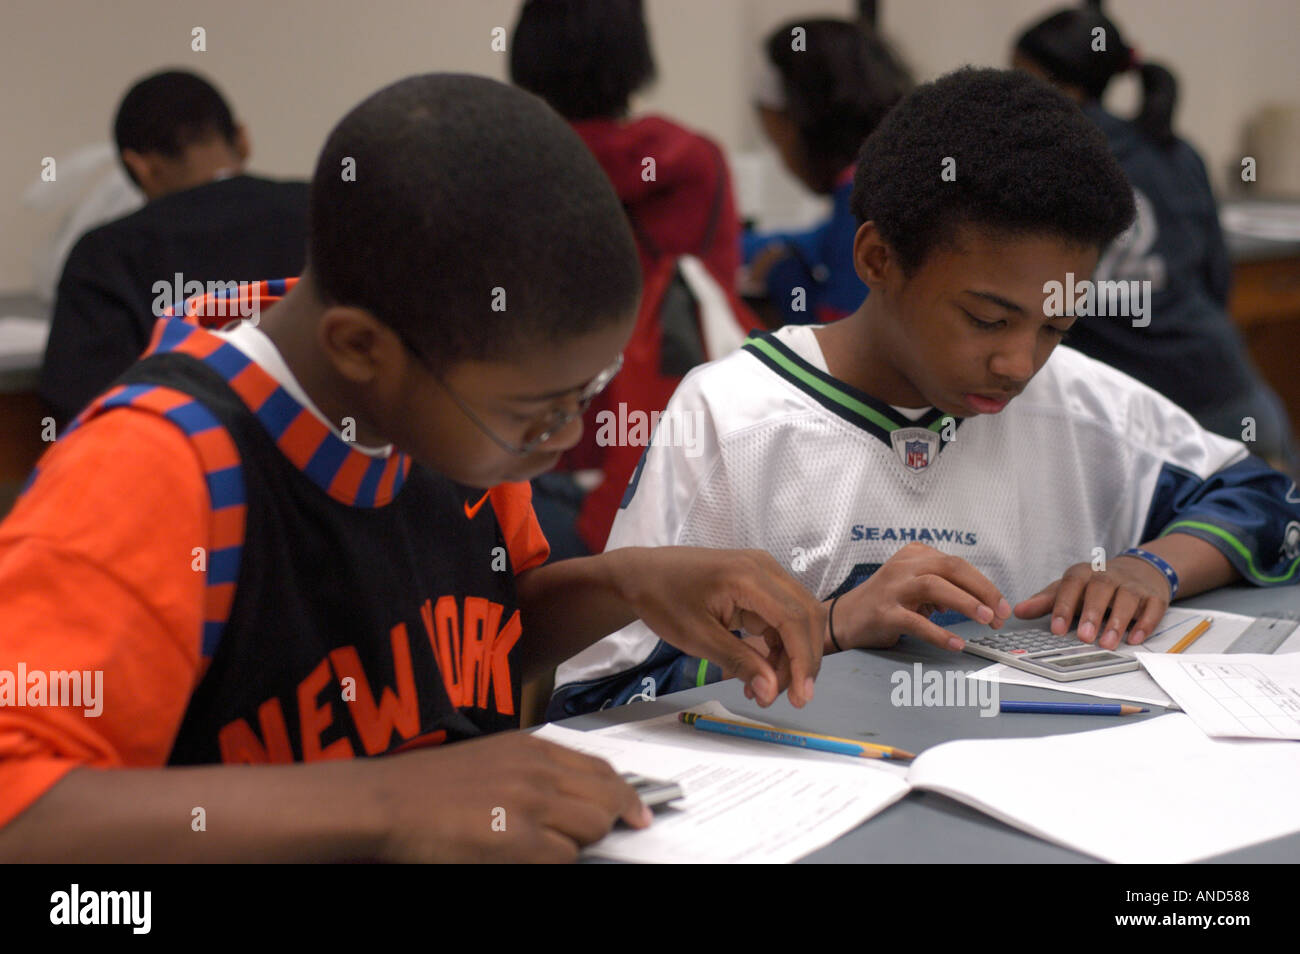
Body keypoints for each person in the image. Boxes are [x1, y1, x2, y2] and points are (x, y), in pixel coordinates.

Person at [0, 74, 825, 863]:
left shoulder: (447, 419)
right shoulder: (158, 467)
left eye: (589, 392)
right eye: (536, 408)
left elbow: (476, 639)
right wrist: (395, 803)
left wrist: (628, 585)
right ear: (362, 349)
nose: (566, 435)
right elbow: (21, 811)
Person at [550, 67, 1300, 718]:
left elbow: (1264, 501)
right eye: (987, 319)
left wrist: (1153, 567)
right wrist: (830, 625)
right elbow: (607, 692)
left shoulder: (1080, 405)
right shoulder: (732, 418)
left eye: (1056, 326)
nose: (1019, 362)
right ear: (877, 257)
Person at [511, 0, 756, 558]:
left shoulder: (512, 163)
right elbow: (713, 298)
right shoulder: (696, 163)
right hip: (668, 456)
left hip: (537, 450)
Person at [1012, 0, 1297, 472]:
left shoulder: (1047, 162)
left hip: (1149, 422)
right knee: (1267, 536)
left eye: (1019, 76)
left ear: (1057, 82)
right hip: (1234, 395)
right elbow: (1216, 279)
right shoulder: (1175, 150)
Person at [39, 69, 309, 427]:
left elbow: (81, 405)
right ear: (242, 140)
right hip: (341, 473)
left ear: (141, 167)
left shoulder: (106, 254)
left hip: (183, 470)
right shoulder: (328, 209)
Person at [742, 17, 910, 325]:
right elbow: (816, 239)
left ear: (800, 124)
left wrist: (785, 275)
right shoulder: (890, 180)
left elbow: (836, 337)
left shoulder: (861, 203)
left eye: (777, 141)